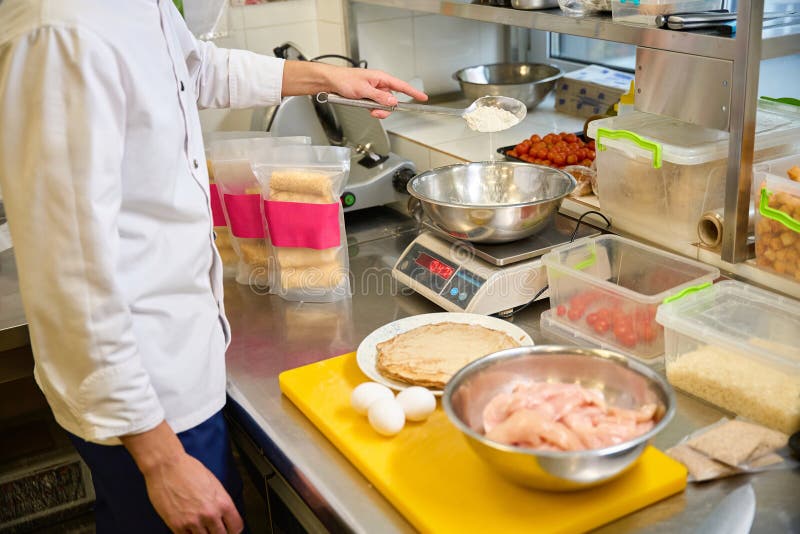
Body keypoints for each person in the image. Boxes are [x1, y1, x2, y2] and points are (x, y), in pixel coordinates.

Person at [0, 1, 428, 532]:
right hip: (146, 402)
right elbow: (69, 273)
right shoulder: (61, 31)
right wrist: (162, 461)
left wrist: (326, 77)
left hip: (181, 367)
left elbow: (193, 68)